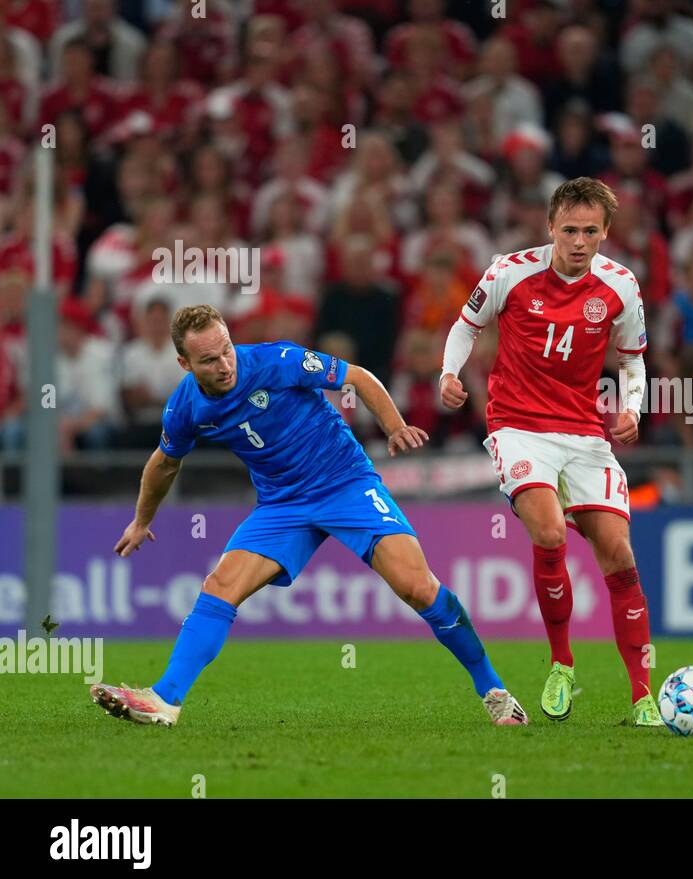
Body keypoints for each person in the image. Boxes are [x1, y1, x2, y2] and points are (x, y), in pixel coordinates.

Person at [94, 305, 527, 727]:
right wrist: (142, 520)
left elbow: (355, 377)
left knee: (417, 587)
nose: (225, 364)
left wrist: (393, 426)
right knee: (220, 585)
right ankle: (165, 699)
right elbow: (164, 463)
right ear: (183, 363)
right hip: (283, 504)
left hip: (345, 483)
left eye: (226, 349)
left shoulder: (276, 360)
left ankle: (494, 691)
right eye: (209, 359)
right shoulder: (185, 407)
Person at [439, 177, 661, 726]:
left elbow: (633, 362)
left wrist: (632, 406)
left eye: (590, 231)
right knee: (550, 532)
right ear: (550, 227)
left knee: (620, 557)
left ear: (606, 232)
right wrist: (448, 373)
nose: (579, 242)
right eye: (569, 230)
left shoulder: (621, 287)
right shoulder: (508, 271)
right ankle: (562, 662)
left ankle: (642, 696)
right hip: (518, 427)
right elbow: (464, 328)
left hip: (585, 435)